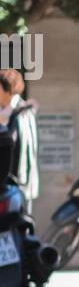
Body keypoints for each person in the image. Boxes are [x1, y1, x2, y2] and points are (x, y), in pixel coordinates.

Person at [0, 70, 39, 215]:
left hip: (15, 184)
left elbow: (14, 145)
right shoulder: (10, 111)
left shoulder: (21, 113)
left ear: (7, 89)